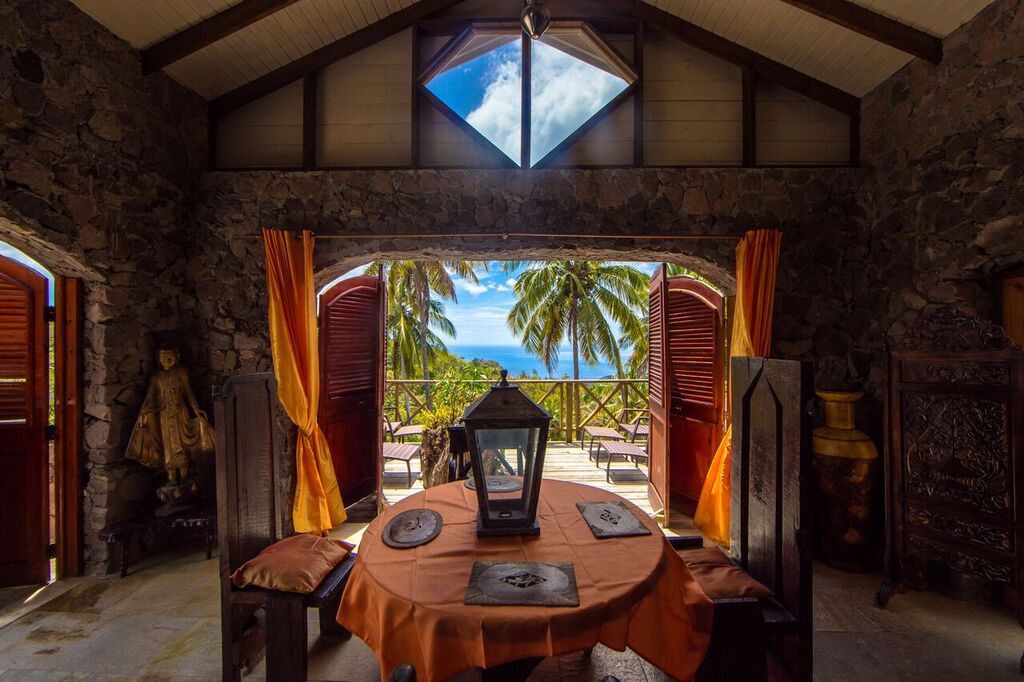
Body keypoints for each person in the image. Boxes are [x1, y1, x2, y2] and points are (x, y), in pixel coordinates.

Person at [125, 343, 213, 487]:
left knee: (181, 444)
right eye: (164, 357)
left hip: (180, 413)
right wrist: (143, 414)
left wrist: (196, 408)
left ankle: (184, 477)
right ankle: (171, 478)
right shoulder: (156, 376)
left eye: (170, 356)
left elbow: (188, 392)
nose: (167, 360)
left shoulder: (181, 372)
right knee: (168, 447)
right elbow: (149, 397)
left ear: (177, 357)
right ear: (158, 359)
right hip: (163, 415)